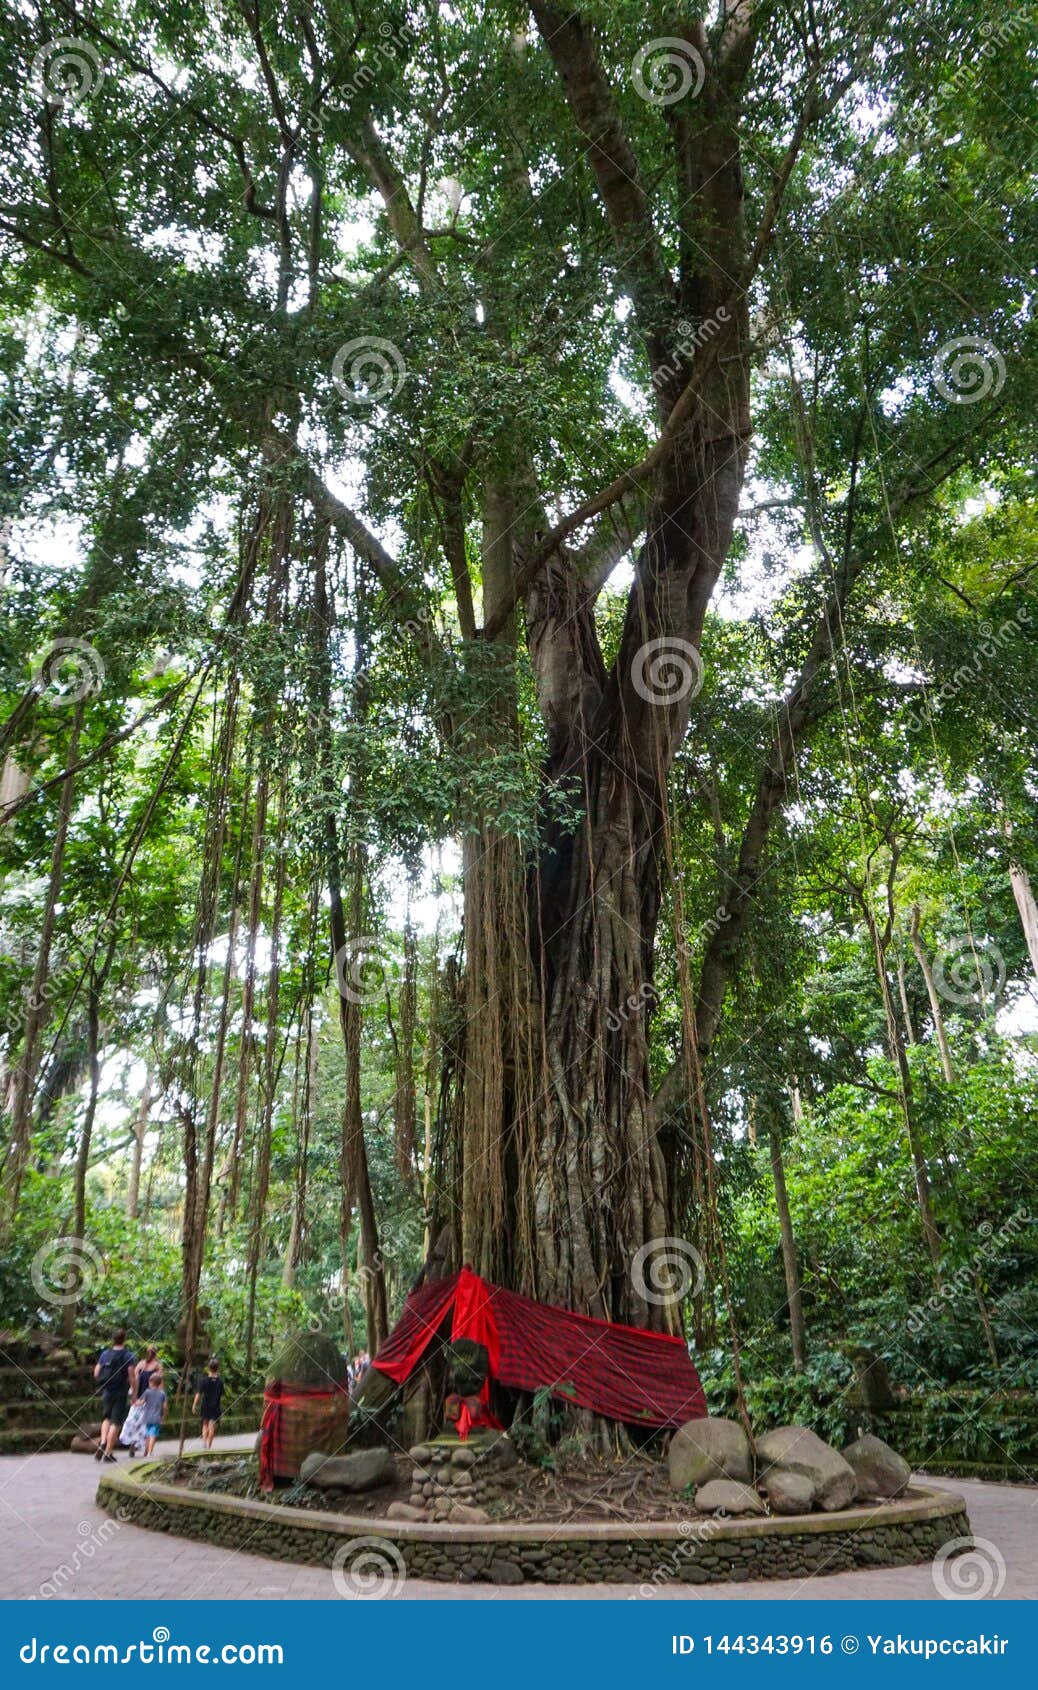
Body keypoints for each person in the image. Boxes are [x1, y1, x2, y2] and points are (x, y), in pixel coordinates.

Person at [93, 1329, 137, 1462]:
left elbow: (96, 1373)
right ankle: (108, 1452)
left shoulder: (105, 1354)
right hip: (120, 1392)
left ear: (112, 1339)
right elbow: (132, 1376)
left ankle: (102, 1442)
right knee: (116, 1422)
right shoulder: (128, 1355)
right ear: (124, 1339)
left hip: (107, 1391)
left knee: (106, 1418)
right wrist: (134, 1392)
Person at [192, 1357, 224, 1449]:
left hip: (205, 1405)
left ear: (208, 1368)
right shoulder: (220, 1381)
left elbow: (198, 1394)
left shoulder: (204, 1380)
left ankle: (204, 1443)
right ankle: (209, 1447)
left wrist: (194, 1405)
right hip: (215, 1406)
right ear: (217, 1368)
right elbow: (221, 1394)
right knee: (212, 1426)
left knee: (205, 1424)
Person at [139, 1367, 167, 1456]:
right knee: (153, 1435)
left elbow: (141, 1402)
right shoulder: (162, 1393)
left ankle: (147, 1451)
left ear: (150, 1382)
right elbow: (165, 1407)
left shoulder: (147, 1392)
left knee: (148, 1435)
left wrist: (135, 1403)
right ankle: (150, 1452)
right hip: (156, 1418)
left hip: (147, 1417)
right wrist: (164, 1416)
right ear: (159, 1384)